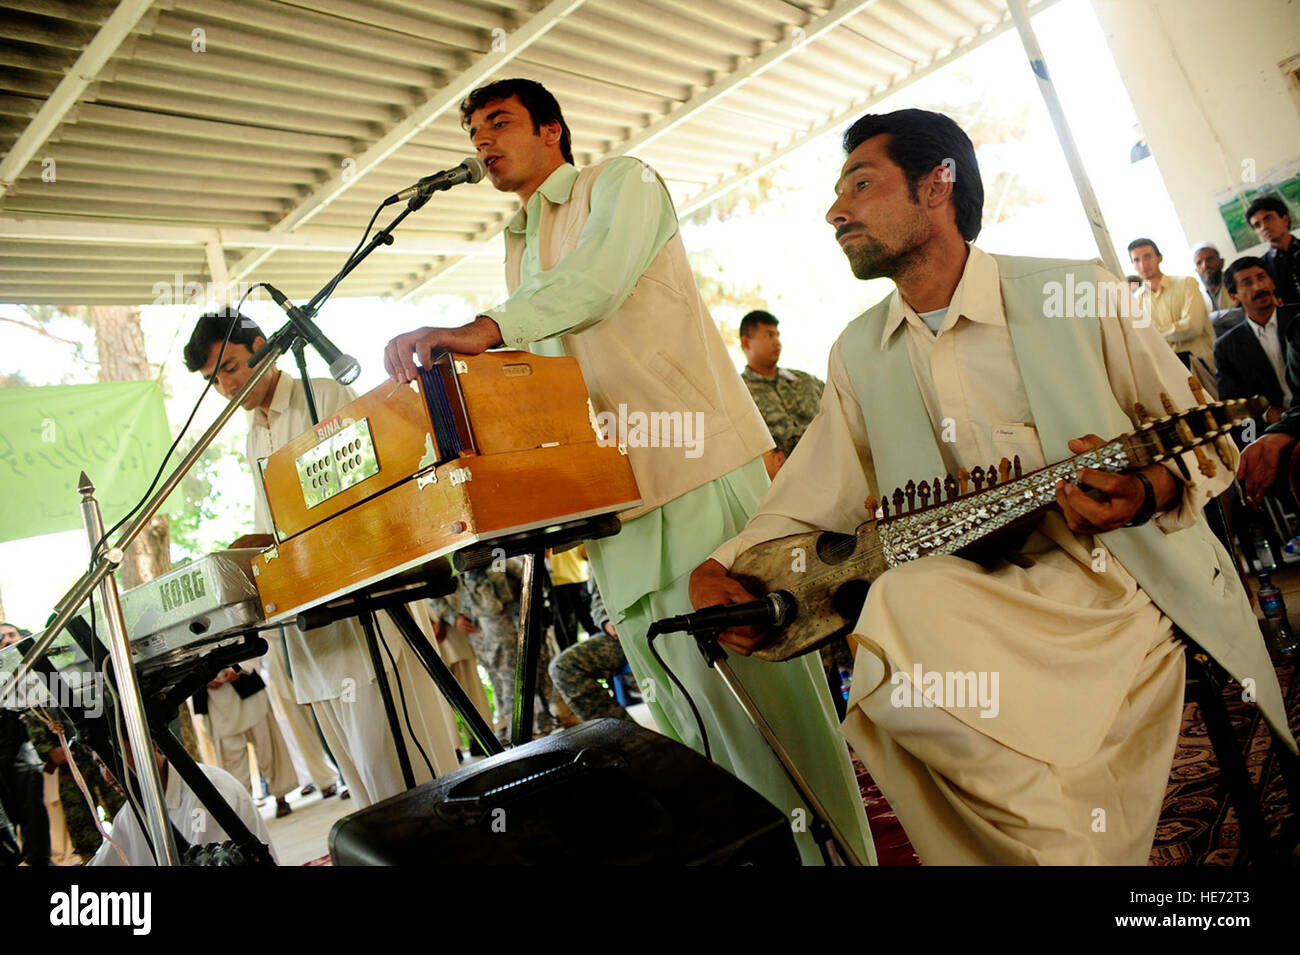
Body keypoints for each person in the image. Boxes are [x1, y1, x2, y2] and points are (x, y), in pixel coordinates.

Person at [689, 107, 1294, 865]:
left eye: (862, 184)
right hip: (963, 601)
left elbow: (1203, 439)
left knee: (904, 641)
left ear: (937, 184)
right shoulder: (859, 354)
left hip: (1112, 590)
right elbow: (812, 494)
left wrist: (1148, 493)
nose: (835, 210)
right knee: (902, 638)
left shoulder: (1078, 292)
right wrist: (723, 564)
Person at [383, 78, 873, 865]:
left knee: (769, 709)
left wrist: (481, 327)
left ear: (553, 131)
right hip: (613, 503)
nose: (481, 142)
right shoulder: (516, 244)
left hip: (696, 469)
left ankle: (838, 858)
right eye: (473, 131)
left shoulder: (623, 183)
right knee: (685, 720)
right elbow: (547, 374)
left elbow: (598, 280)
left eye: (498, 122)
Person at [183, 311, 463, 808]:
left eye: (228, 367)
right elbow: (278, 527)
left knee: (411, 780)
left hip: (370, 617)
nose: (225, 386)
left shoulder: (326, 396)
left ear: (262, 347)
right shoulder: (253, 435)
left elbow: (375, 497)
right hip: (315, 639)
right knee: (367, 795)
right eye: (213, 379)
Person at [429, 560, 559, 742]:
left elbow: (518, 567)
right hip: (476, 624)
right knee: (497, 675)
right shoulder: (441, 558)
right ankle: (510, 726)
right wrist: (454, 617)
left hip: (505, 617)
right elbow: (433, 591)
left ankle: (525, 728)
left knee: (515, 672)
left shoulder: (494, 553)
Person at [89, 751, 278, 866]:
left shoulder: (207, 792)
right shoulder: (131, 813)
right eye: (100, 764)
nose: (107, 776)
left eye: (114, 759)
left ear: (149, 744)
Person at [191, 663, 297, 817]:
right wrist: (198, 680)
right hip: (212, 699)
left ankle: (281, 796)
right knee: (231, 762)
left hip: (247, 687)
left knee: (268, 748)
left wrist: (237, 668)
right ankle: (244, 809)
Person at [1213, 256, 1296, 438]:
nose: (1259, 287)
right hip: (1274, 430)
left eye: (1261, 277)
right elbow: (1233, 410)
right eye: (1247, 283)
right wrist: (1264, 419)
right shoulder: (1226, 347)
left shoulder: (1297, 318)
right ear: (1234, 296)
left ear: (1272, 282)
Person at [739, 309, 825, 479]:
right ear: (746, 343)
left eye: (777, 335)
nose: (777, 342)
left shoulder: (805, 380)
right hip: (785, 486)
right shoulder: (739, 394)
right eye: (769, 335)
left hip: (833, 468)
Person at [1130, 237, 1216, 376]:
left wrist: (1155, 333)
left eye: (1147, 256)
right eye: (1136, 260)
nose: (1143, 264)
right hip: (1170, 371)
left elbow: (1193, 327)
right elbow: (1144, 340)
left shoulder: (1187, 283)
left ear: (1159, 258)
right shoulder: (1136, 301)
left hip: (1202, 365)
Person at [1247, 195, 1300, 306]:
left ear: (1285, 220)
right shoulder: (1262, 267)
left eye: (1268, 218)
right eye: (1257, 225)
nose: (1264, 227)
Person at [1192, 242, 1236, 313]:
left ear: (1222, 262)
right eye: (1199, 263)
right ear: (1196, 270)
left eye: (1209, 259)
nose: (1205, 265)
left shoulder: (1236, 282)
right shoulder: (1195, 295)